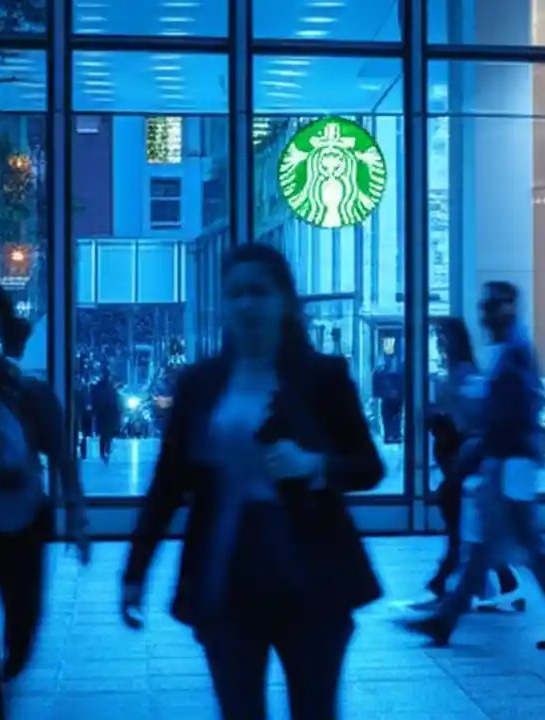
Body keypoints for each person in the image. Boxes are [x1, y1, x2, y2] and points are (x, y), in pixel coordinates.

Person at [120, 243, 385, 719]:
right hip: (227, 570)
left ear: (283, 300)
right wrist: (136, 571)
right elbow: (168, 482)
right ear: (223, 303)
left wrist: (314, 464)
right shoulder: (200, 384)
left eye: (259, 291)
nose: (247, 304)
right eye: (236, 293)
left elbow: (367, 466)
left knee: (315, 708)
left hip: (311, 571)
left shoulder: (322, 377)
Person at [401, 282, 545, 649]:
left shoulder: (513, 351)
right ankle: (446, 620)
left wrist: (488, 435)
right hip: (505, 461)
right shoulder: (506, 350)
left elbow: (520, 406)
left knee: (524, 547)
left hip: (510, 462)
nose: (483, 314)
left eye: (491, 307)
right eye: (483, 306)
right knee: (491, 548)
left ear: (509, 307)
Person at [0, 277, 91, 719]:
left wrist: (76, 513)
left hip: (25, 522)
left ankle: (8, 666)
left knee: (24, 623)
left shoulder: (30, 393)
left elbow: (62, 456)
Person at [422, 317, 521, 607]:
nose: (439, 344)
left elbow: (470, 419)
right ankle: (491, 581)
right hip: (456, 460)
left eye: (442, 338)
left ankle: (446, 584)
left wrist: (441, 417)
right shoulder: (454, 373)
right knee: (471, 531)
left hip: (462, 461)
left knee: (461, 523)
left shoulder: (465, 374)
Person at [91, 369, 120, 463]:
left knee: (106, 434)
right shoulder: (106, 388)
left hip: (105, 413)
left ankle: (104, 451)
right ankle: (104, 451)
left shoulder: (105, 388)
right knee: (106, 434)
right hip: (105, 413)